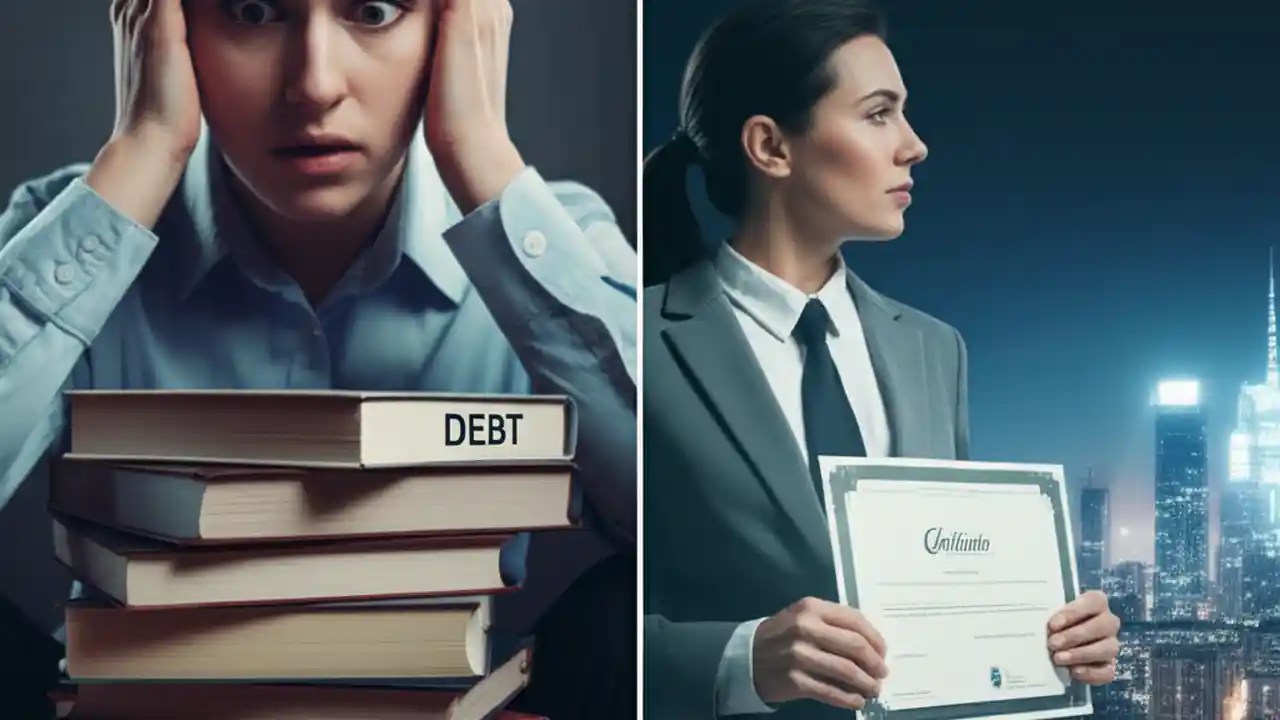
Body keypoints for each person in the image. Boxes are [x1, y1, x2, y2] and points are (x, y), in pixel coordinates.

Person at [0, 0, 635, 717]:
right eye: (253, 11)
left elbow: (685, 524)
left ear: (462, 27)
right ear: (164, 27)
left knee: (628, 618)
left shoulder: (548, 239)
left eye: (373, 11)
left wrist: (482, 153)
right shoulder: (73, 228)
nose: (314, 85)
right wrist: (142, 151)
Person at [642, 1, 1119, 717]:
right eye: (878, 113)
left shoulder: (934, 350)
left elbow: (949, 580)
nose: (914, 145)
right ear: (771, 146)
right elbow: (581, 633)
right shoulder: (636, 341)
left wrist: (1058, 639)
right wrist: (740, 657)